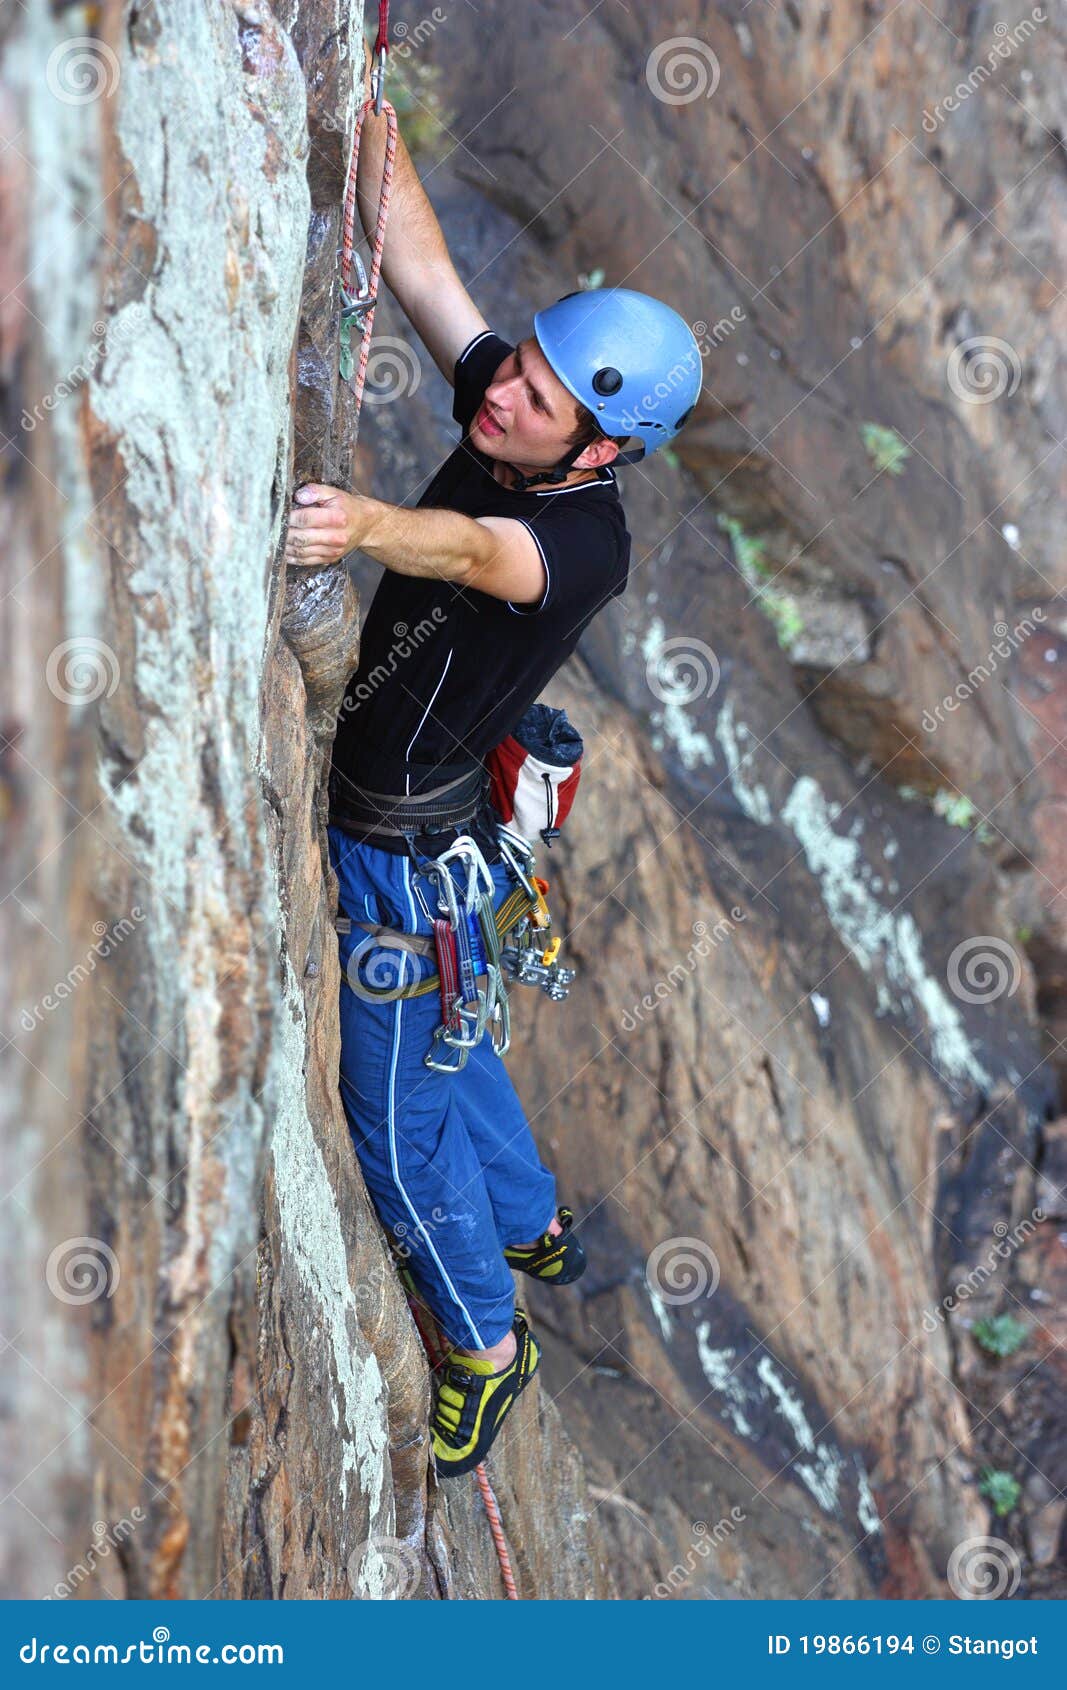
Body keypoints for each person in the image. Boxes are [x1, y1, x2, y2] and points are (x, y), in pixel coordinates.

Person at [284, 80, 701, 1478]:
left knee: (396, 1130)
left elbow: (472, 557)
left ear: (600, 451)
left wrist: (364, 526)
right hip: (445, 825)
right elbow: (422, 268)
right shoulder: (528, 413)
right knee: (455, 1056)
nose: (501, 390)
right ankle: (528, 1214)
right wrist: (370, 114)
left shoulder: (580, 544)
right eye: (518, 364)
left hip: (400, 859)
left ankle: (484, 1338)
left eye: (536, 393)